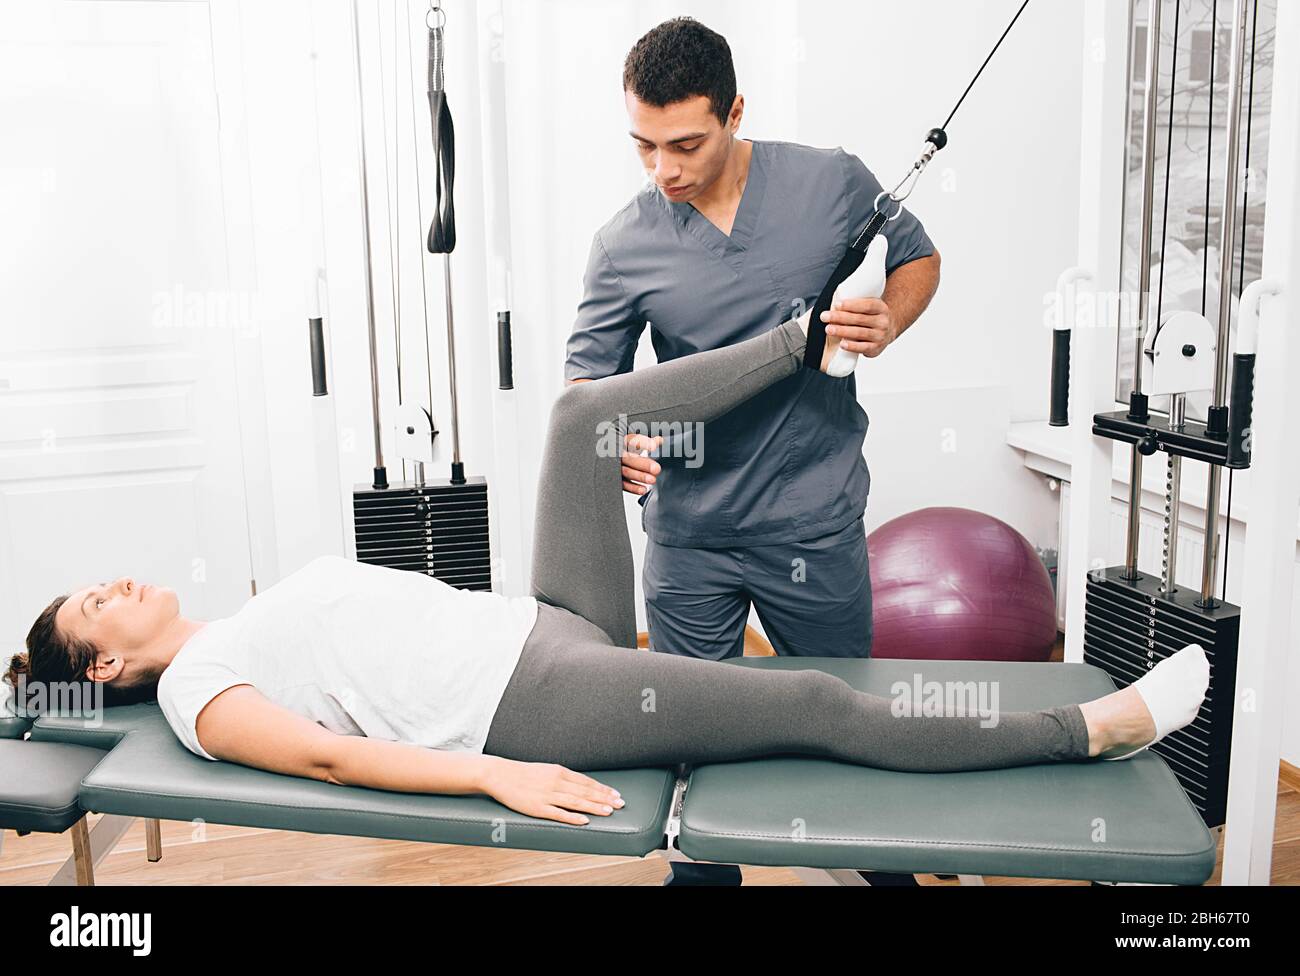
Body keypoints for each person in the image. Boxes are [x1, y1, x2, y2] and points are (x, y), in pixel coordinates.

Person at [8, 311, 1211, 828]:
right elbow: (326, 755)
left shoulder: (245, 612)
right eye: (96, 603)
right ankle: (1088, 731)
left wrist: (26, 691)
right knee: (808, 700)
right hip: (527, 703)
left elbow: (35, 695)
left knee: (582, 415)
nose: (115, 580)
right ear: (108, 657)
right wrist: (493, 780)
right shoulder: (192, 685)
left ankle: (806, 345)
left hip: (542, 619)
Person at [567, 17, 942, 663]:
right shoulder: (621, 245)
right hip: (690, 533)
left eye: (685, 144)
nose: (664, 170)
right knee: (694, 730)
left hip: (815, 521)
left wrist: (889, 320)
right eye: (645, 146)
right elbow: (588, 391)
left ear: (735, 111)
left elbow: (916, 256)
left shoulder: (832, 182)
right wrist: (615, 447)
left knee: (837, 713)